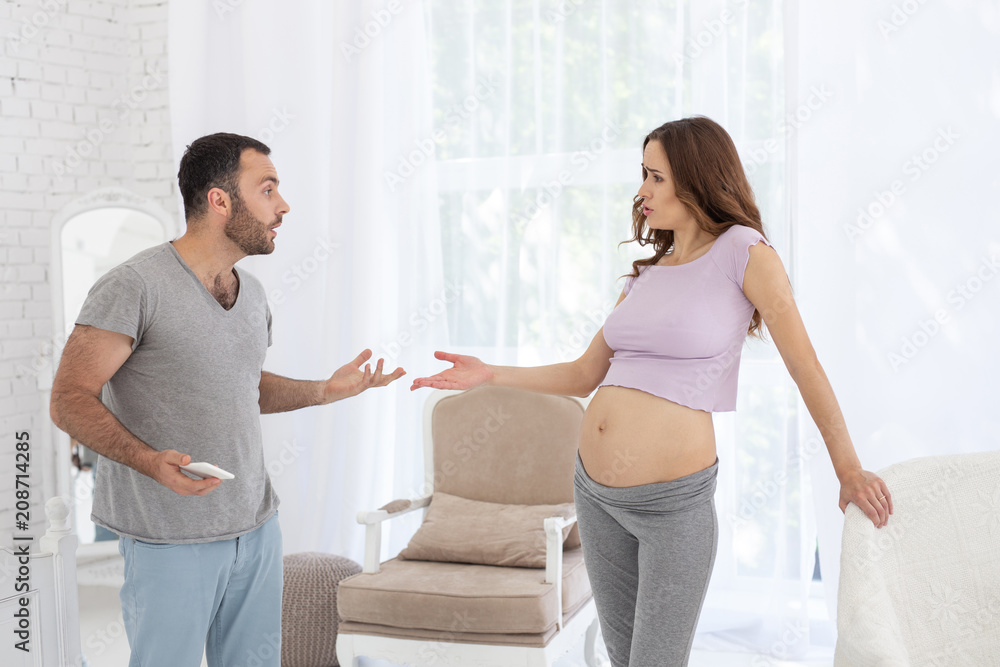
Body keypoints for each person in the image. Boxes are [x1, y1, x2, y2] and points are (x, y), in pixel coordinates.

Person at [410, 116, 893, 666]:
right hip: (594, 496)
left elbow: (806, 367)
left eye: (656, 177)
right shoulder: (646, 275)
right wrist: (490, 373)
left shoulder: (744, 252)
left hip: (672, 506)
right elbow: (584, 373)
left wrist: (848, 469)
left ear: (697, 179)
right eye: (643, 174)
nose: (642, 190)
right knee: (624, 659)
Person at [49, 133, 405, 667]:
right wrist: (148, 460)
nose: (283, 206)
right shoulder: (134, 286)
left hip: (255, 529)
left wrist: (324, 391)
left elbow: (243, 385)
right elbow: (67, 398)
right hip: (168, 538)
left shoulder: (251, 293)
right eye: (268, 189)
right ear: (220, 200)